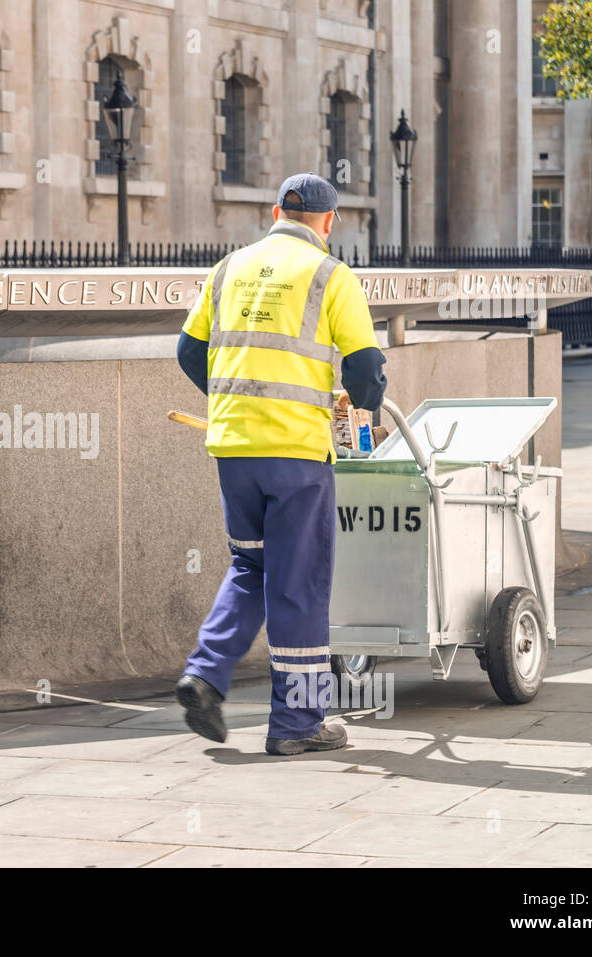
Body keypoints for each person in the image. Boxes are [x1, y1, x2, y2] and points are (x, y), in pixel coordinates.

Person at [174, 172, 387, 756]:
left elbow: (189, 351)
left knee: (250, 567)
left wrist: (232, 401)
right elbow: (366, 370)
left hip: (234, 447)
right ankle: (297, 723)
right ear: (328, 221)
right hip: (296, 453)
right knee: (300, 582)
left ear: (275, 212)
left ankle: (204, 675)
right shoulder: (330, 274)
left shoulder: (228, 268)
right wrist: (361, 411)